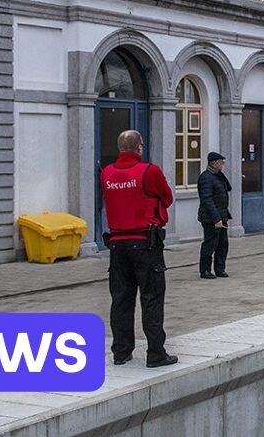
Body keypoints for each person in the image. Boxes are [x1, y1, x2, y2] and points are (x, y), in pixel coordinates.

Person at [101, 130, 177, 368]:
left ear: (119, 148)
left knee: (121, 299)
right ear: (139, 148)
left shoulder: (107, 173)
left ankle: (121, 352)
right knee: (152, 297)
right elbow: (167, 197)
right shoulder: (149, 171)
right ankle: (155, 353)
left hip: (116, 244)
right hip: (145, 242)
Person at [196, 152, 232, 279]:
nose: (223, 165)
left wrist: (221, 175)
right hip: (210, 217)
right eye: (221, 162)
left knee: (223, 244)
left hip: (222, 215)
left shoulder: (217, 176)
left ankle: (220, 268)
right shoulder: (206, 178)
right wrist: (216, 218)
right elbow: (207, 199)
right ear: (215, 163)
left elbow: (228, 188)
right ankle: (205, 270)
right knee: (210, 244)